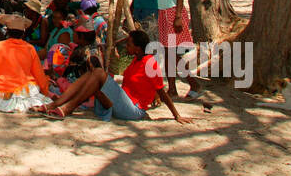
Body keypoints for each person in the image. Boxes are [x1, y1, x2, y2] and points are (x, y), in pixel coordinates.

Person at [33, 30, 190, 123]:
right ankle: (57, 105)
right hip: (123, 102)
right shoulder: (137, 59)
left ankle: (65, 108)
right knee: (91, 74)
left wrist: (177, 115)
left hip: (133, 110)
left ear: (137, 48)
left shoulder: (150, 64)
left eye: (129, 44)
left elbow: (162, 91)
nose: (126, 47)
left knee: (99, 73)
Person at [145, 0, 204, 100]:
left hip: (172, 12)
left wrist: (178, 16)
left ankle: (194, 83)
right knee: (167, 52)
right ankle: (172, 88)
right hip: (163, 13)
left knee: (172, 53)